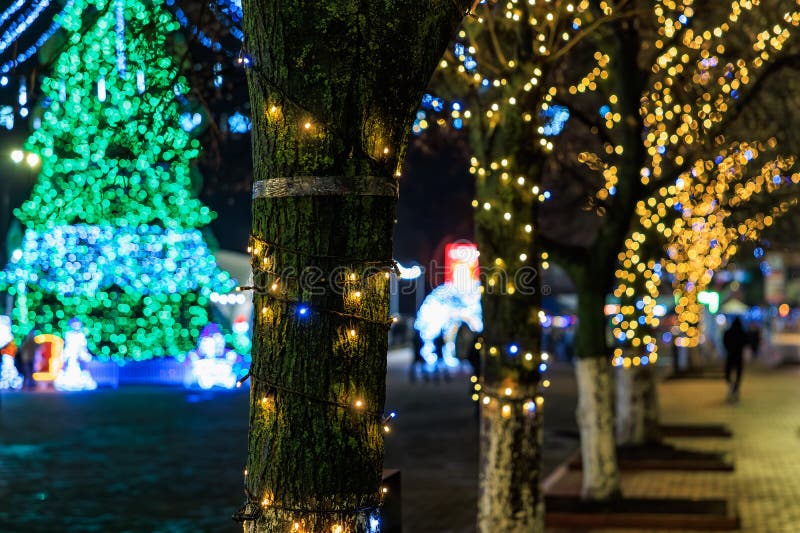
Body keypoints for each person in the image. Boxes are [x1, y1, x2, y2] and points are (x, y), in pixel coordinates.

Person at [722, 317, 748, 402]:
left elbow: (724, 341)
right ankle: (735, 386)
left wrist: (728, 348)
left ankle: (732, 385)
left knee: (728, 372)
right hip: (738, 356)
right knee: (738, 373)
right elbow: (746, 342)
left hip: (730, 355)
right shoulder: (742, 332)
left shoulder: (728, 332)